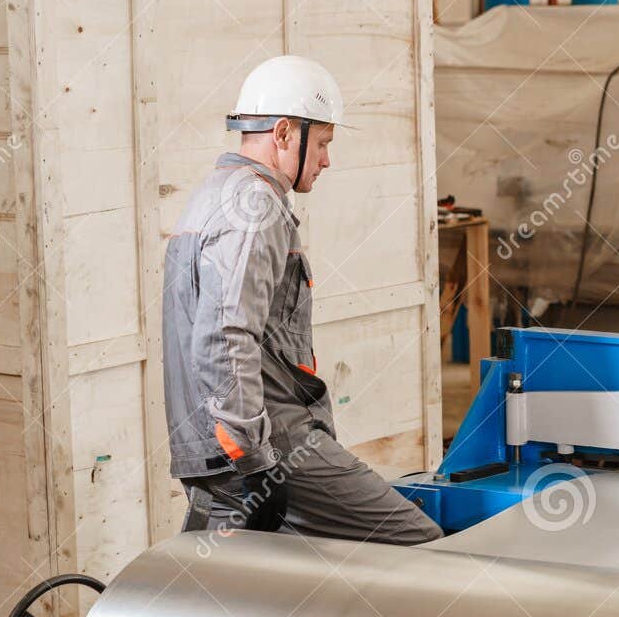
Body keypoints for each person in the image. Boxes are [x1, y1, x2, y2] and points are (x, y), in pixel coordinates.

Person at [162, 55, 441, 545]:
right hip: (267, 448)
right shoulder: (255, 207)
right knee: (422, 545)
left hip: (211, 449)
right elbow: (226, 335)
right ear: (286, 133)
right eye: (325, 143)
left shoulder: (212, 194)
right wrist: (253, 459)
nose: (327, 159)